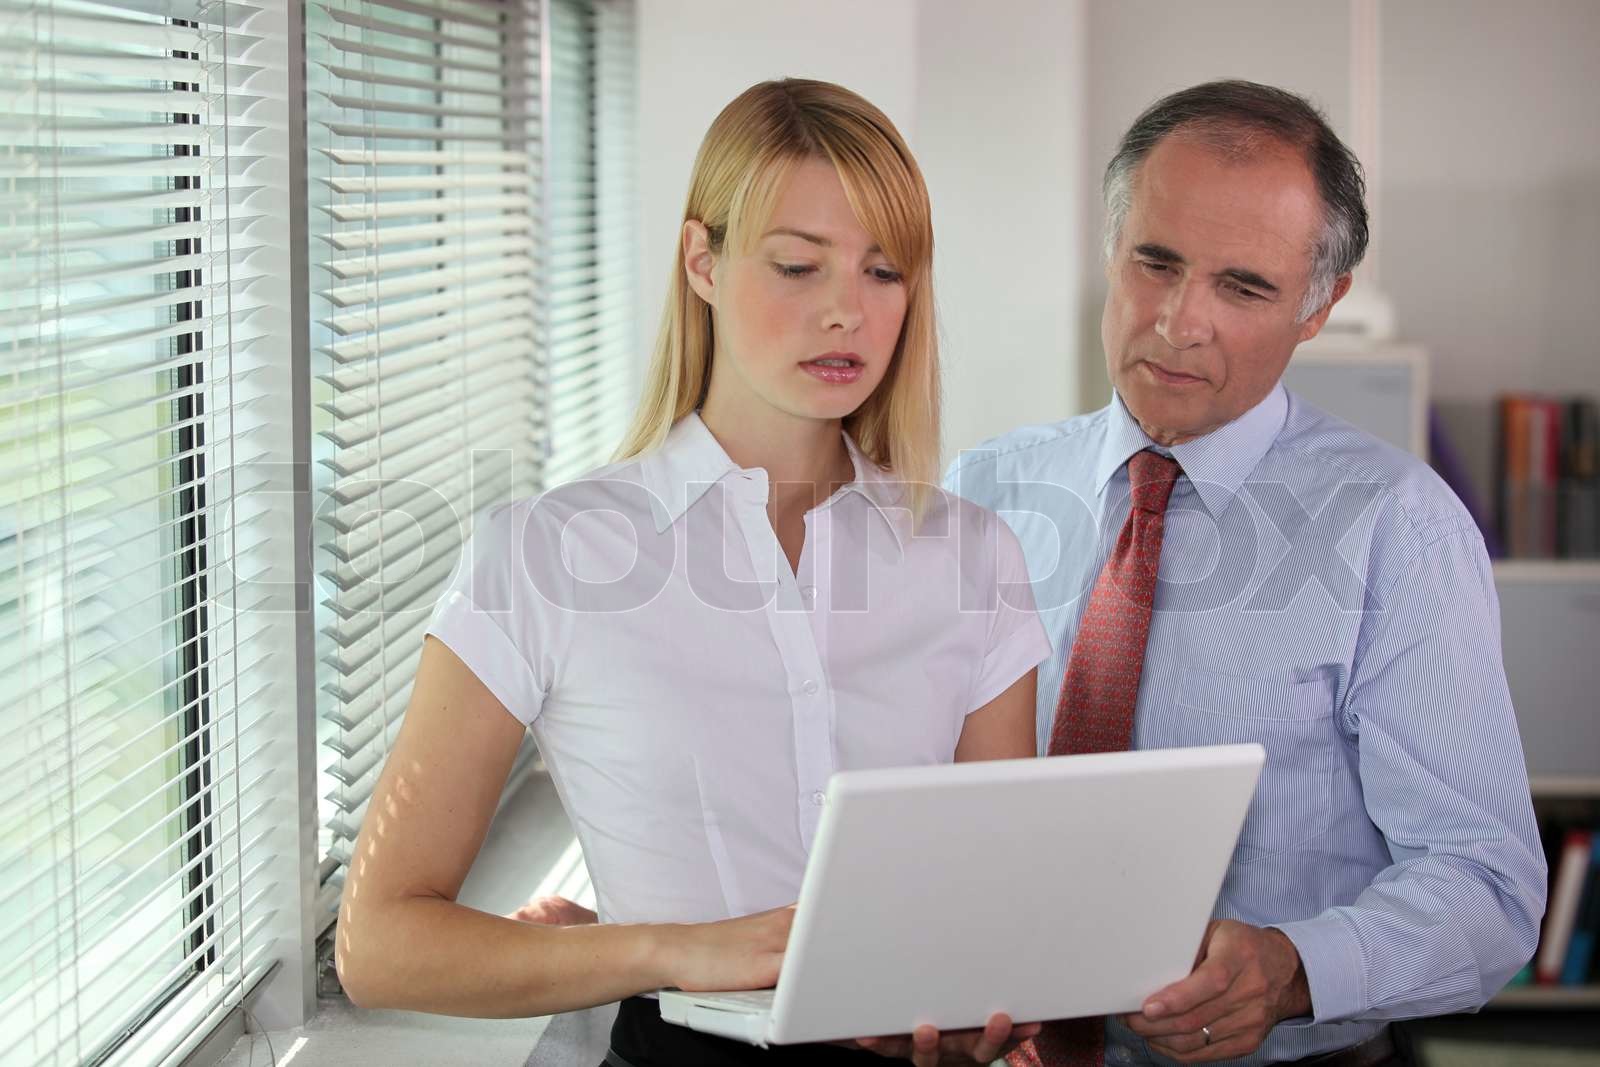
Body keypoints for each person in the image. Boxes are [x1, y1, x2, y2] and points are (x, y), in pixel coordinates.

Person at [333, 78, 1052, 1067]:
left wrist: (979, 1013)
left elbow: (992, 903)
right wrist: (666, 949)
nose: (846, 310)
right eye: (799, 265)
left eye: (883, 272)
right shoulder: (549, 554)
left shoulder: (975, 556)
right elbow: (377, 944)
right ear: (701, 261)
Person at [946, 81, 1546, 1067]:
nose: (1181, 322)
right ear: (1110, 249)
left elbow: (1486, 883)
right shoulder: (986, 485)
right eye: (1155, 262)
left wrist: (1293, 965)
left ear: (1319, 307)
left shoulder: (1397, 528)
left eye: (1244, 287)